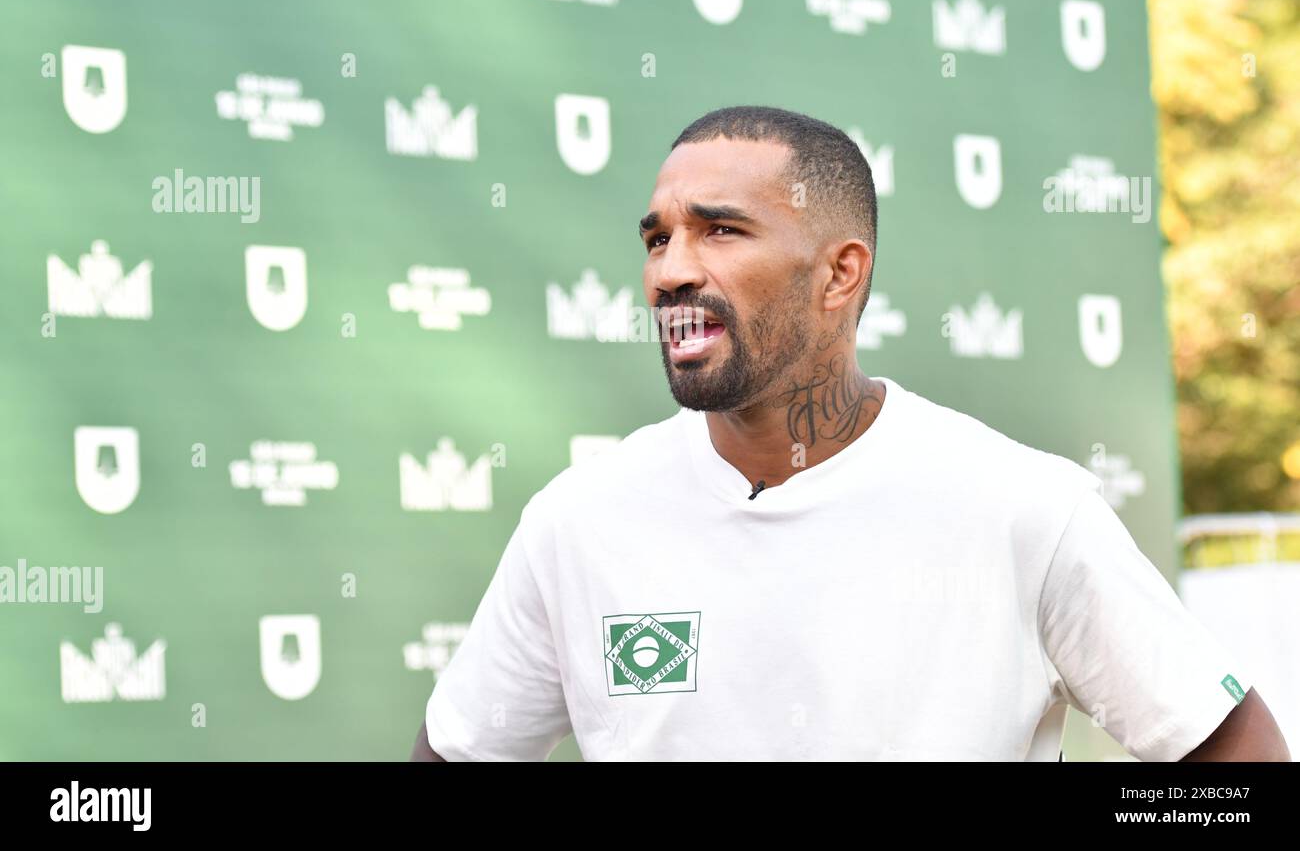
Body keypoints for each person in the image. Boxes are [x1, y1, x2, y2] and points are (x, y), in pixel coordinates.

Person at [410, 106, 1289, 761]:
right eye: (658, 239)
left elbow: (1233, 751)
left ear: (840, 273)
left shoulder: (1021, 505)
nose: (672, 272)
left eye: (721, 230)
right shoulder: (578, 521)